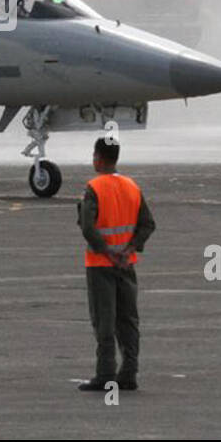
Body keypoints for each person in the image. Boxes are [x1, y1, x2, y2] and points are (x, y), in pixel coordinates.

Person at [76, 136, 155, 392]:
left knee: (104, 320)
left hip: (101, 265)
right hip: (126, 264)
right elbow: (147, 224)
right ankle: (130, 371)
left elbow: (88, 227)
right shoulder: (132, 186)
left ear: (99, 157)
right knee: (128, 320)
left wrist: (108, 252)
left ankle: (105, 374)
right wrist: (129, 249)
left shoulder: (94, 187)